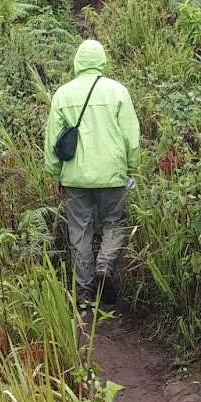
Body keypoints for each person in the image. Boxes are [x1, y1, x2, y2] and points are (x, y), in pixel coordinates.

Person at [44, 39, 140, 304]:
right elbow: (131, 136)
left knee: (80, 231)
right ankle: (105, 266)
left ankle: (85, 294)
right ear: (102, 60)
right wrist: (130, 167)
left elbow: (53, 138)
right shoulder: (118, 91)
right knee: (115, 222)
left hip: (74, 177)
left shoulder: (62, 94)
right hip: (112, 174)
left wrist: (55, 173)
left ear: (77, 62)